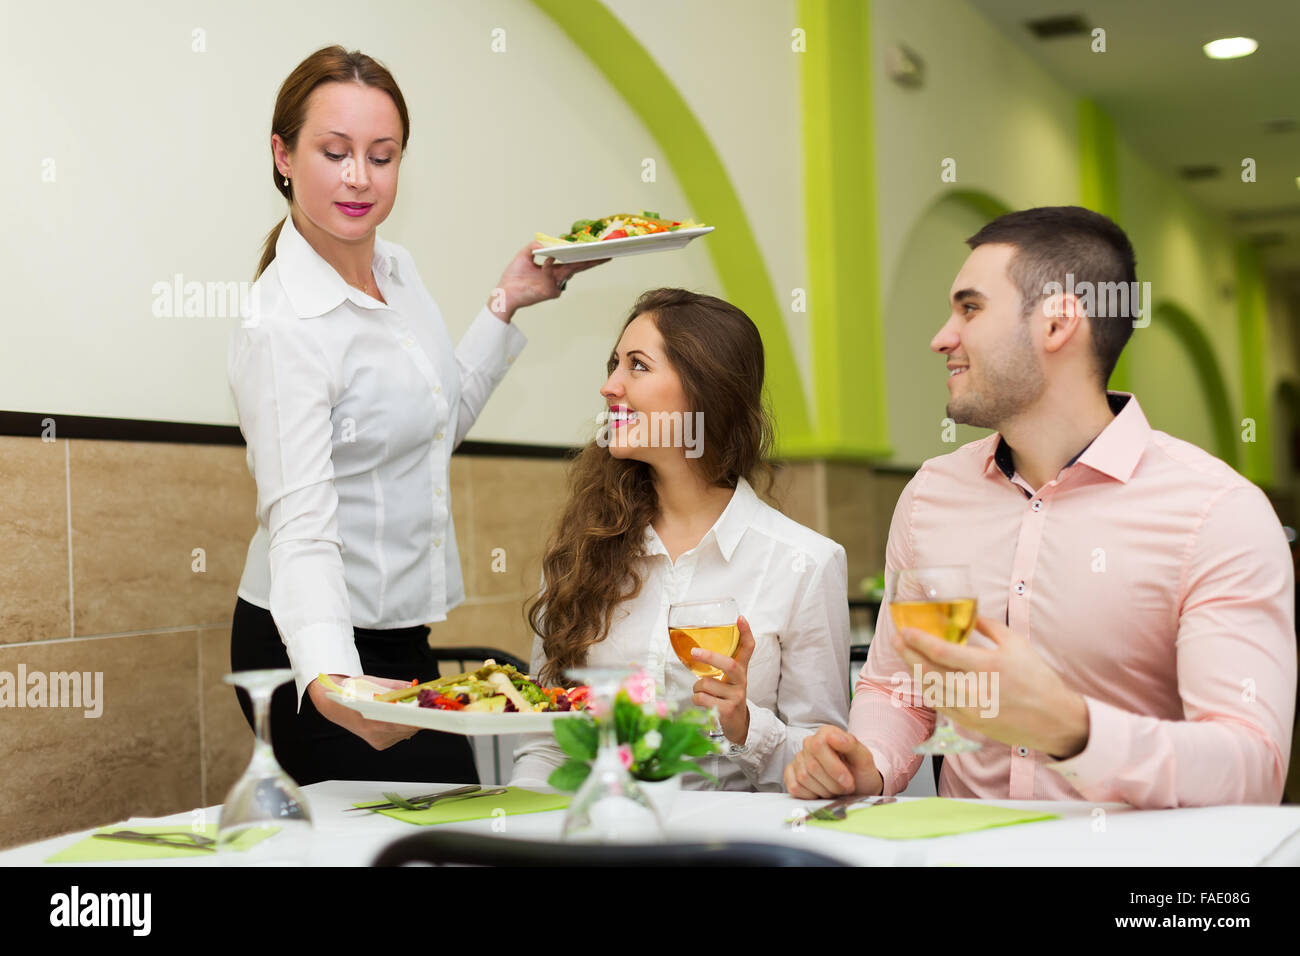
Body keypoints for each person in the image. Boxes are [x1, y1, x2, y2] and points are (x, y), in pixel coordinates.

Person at [784, 205, 1296, 808]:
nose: (941, 337)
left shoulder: (1218, 512)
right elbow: (900, 689)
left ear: (1057, 324)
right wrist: (866, 763)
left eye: (970, 308)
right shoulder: (929, 494)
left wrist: (1070, 727)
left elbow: (1249, 764)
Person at [227, 46, 603, 786]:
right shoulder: (282, 326)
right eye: (334, 153)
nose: (359, 177)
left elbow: (433, 428)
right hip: (310, 648)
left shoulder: (400, 272)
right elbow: (299, 527)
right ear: (283, 155)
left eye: (382, 154)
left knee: (448, 811)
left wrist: (505, 304)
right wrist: (335, 683)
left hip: (403, 636)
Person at [510, 288, 851, 792]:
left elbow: (822, 763)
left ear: (704, 391)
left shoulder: (805, 562)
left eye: (637, 366)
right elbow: (544, 744)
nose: (609, 386)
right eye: (613, 365)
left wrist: (745, 725)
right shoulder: (580, 552)